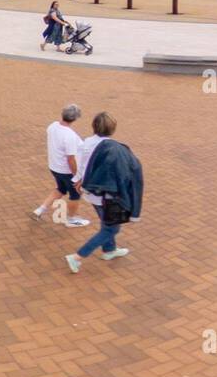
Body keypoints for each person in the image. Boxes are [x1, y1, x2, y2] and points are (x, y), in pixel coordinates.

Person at [66, 112, 143, 270]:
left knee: (105, 221)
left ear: (94, 126)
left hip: (91, 192)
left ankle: (109, 250)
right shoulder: (114, 149)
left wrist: (78, 180)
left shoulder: (86, 143)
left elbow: (81, 165)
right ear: (112, 129)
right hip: (107, 196)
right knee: (111, 228)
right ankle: (77, 256)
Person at [33, 104, 92, 227]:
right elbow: (70, 159)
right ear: (75, 118)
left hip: (54, 167)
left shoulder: (52, 126)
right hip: (65, 171)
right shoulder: (69, 135)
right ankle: (71, 219)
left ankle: (40, 209)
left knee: (60, 189)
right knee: (76, 194)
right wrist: (77, 176)